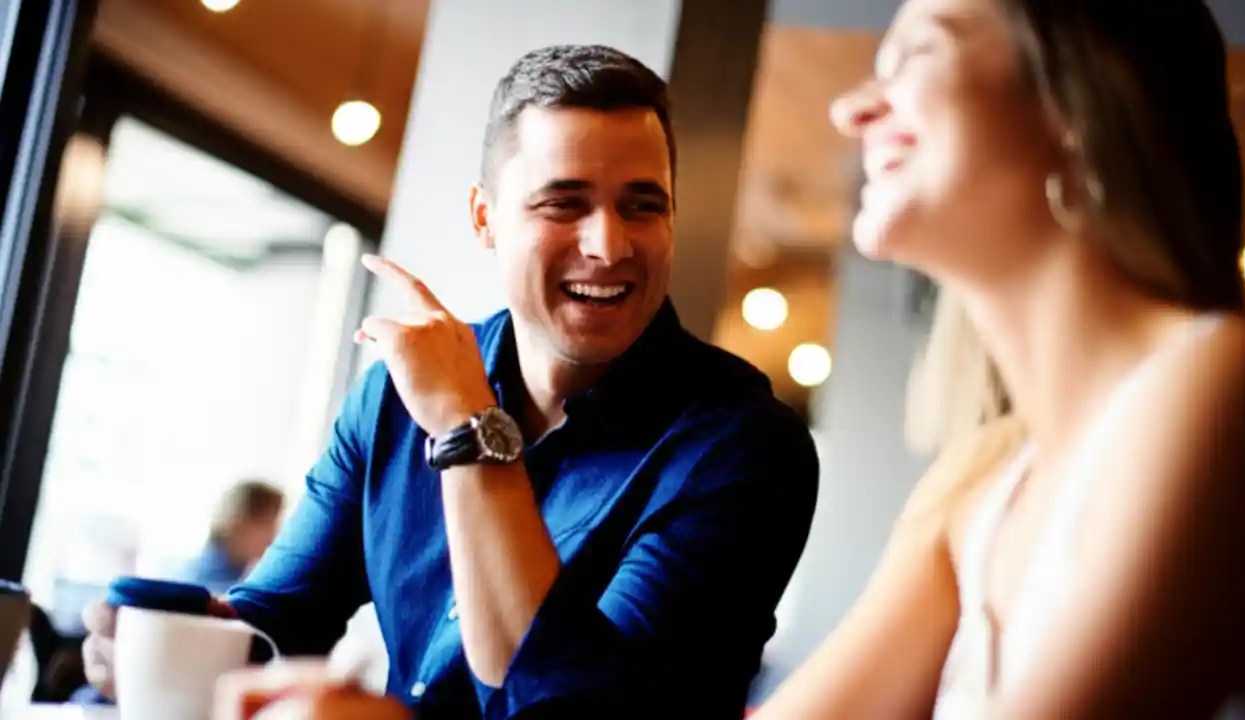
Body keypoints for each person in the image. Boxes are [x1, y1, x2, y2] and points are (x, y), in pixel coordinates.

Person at [83, 44, 819, 719]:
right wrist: (173, 648)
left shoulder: (747, 447)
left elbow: (582, 709)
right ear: (484, 218)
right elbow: (279, 621)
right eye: (563, 202)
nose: (609, 244)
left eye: (642, 205)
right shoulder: (392, 395)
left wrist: (470, 430)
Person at [754, 0, 1245, 717]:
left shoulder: (1222, 380)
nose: (852, 109)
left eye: (917, 55)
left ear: (1076, 96)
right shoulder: (980, 484)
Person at [176, 479, 285, 595]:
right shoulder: (198, 578)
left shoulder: (245, 570)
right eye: (268, 523)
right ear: (240, 523)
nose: (274, 535)